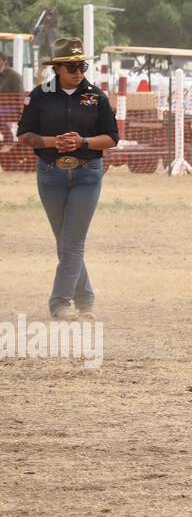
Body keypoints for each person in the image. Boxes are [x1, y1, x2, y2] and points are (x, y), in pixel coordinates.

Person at [15, 37, 119, 320]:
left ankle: (59, 303)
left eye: (82, 65)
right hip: (51, 174)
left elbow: (112, 138)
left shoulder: (96, 96)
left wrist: (82, 142)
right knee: (64, 241)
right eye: (72, 66)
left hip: (88, 175)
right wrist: (53, 141)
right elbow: (23, 134)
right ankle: (85, 298)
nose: (78, 71)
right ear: (57, 68)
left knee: (72, 242)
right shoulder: (39, 95)